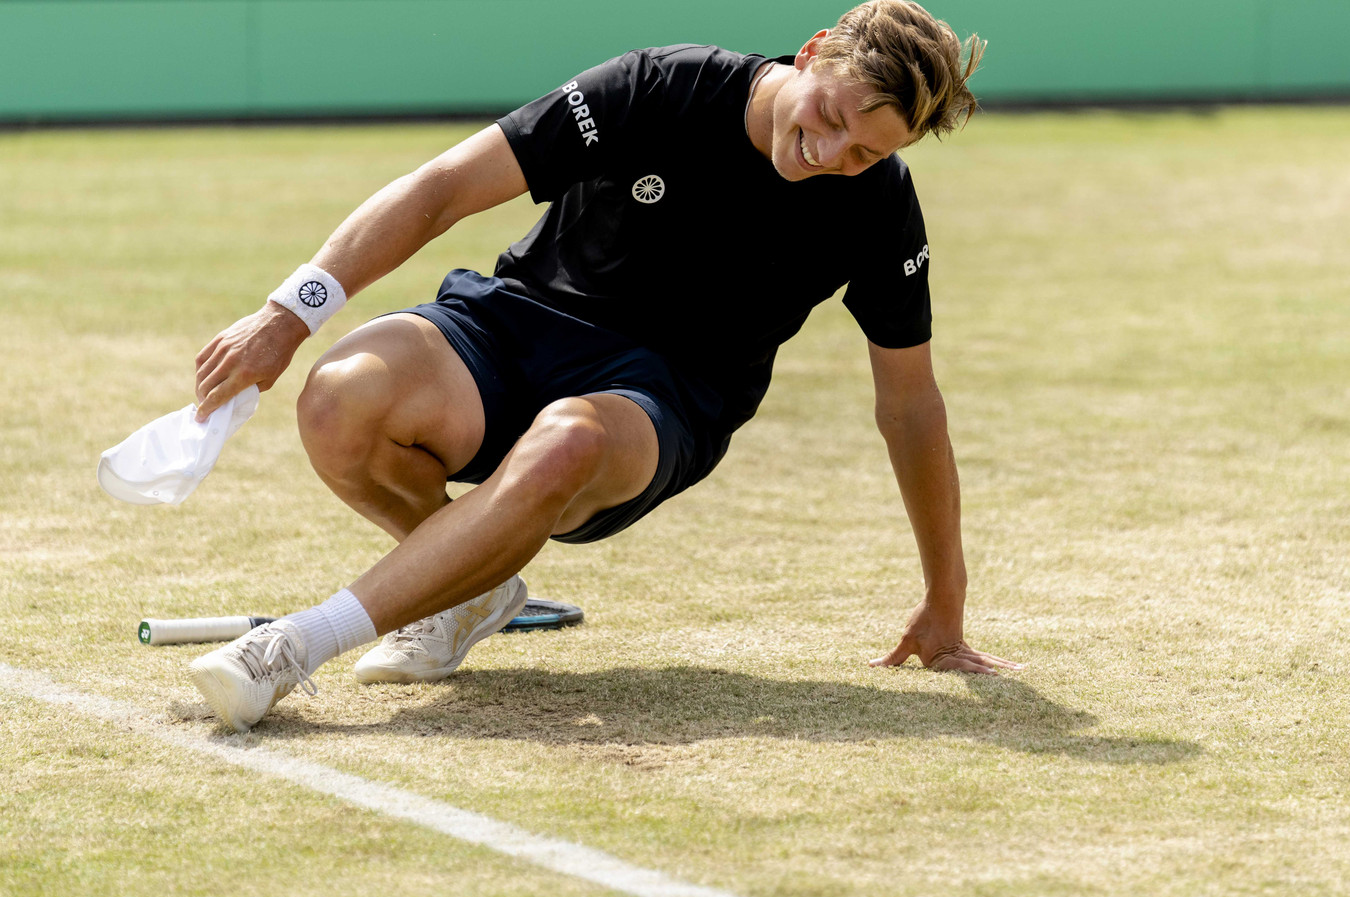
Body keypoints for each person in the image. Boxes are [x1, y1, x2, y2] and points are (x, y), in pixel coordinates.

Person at [188, 0, 1021, 734]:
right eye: (831, 116)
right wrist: (288, 315)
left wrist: (945, 599)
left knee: (566, 442)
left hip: (665, 398)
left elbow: (910, 406)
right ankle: (468, 589)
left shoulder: (878, 205)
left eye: (867, 152)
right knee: (339, 398)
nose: (832, 153)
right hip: (521, 324)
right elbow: (443, 186)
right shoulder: (662, 86)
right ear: (809, 54)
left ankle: (294, 647)